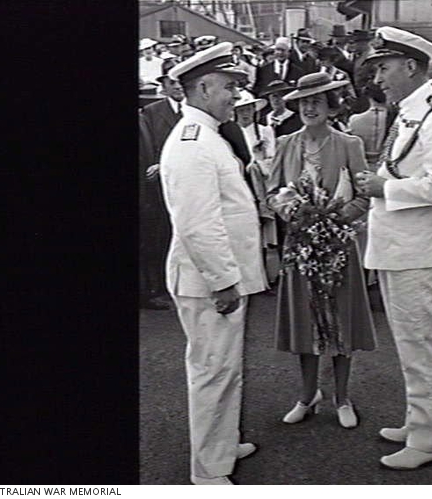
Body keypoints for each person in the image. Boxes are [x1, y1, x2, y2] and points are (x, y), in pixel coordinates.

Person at [158, 41, 267, 485]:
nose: (236, 96)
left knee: (224, 368)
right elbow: (198, 224)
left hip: (216, 278)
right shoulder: (192, 143)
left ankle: (222, 444)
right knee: (212, 371)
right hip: (208, 281)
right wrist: (223, 281)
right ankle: (208, 473)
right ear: (202, 87)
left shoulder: (205, 136)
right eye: (229, 86)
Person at [356, 26, 432, 470]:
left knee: (425, 349)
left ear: (411, 67)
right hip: (403, 249)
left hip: (421, 252)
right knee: (412, 347)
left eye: (384, 67)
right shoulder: (412, 113)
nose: (378, 77)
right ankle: (420, 422)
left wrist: (384, 188)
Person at [266, 72, 376, 429]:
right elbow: (271, 193)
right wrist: (291, 211)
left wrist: (336, 219)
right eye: (303, 101)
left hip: (339, 245)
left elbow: (364, 195)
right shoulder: (285, 144)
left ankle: (342, 398)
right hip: (299, 245)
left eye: (317, 101)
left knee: (342, 320)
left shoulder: (349, 144)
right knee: (304, 322)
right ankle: (308, 394)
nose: (309, 107)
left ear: (330, 106)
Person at [139, 58, 185, 310]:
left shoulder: (194, 111)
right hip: (159, 189)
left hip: (185, 184)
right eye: (172, 82)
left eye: (180, 81)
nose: (177, 86)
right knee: (159, 236)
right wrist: (160, 164)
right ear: (164, 85)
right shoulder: (152, 112)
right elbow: (149, 149)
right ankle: (159, 286)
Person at [233, 90, 279, 285]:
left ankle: (266, 278)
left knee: (266, 235)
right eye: (242, 109)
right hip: (240, 186)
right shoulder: (231, 131)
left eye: (249, 108)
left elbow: (273, 162)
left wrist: (259, 159)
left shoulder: (265, 131)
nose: (246, 113)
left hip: (261, 186)